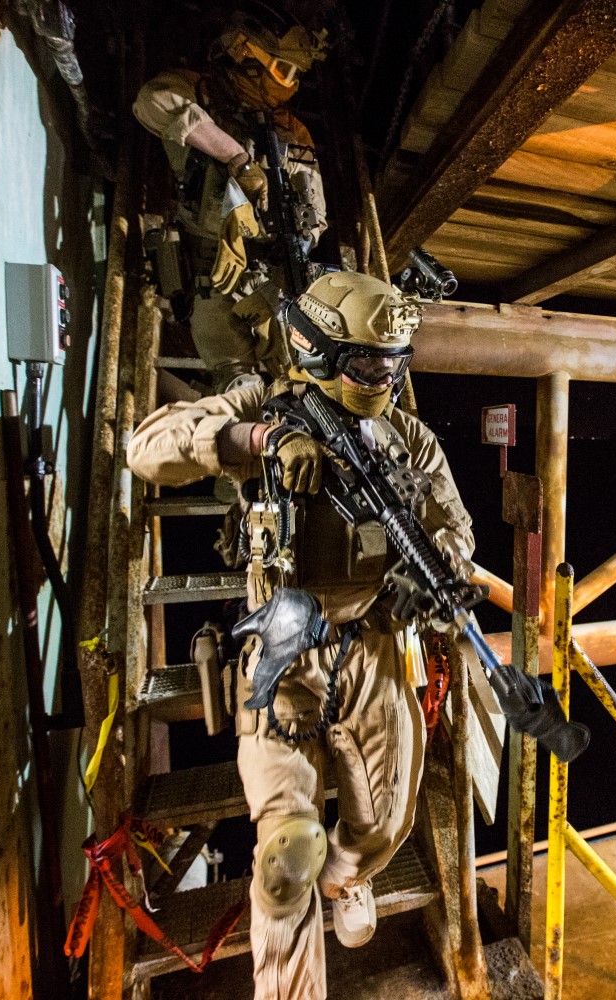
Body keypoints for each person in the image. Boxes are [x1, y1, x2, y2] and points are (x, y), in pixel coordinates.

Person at [127, 272, 473, 1000]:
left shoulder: (407, 437)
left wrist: (435, 573)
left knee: (384, 825)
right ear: (321, 352)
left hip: (374, 648)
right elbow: (147, 448)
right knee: (286, 857)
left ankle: (345, 878)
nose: (383, 379)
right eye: (366, 364)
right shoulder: (265, 403)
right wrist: (257, 439)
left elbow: (454, 528)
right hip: (282, 655)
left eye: (394, 364)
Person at [133, 10, 329, 393]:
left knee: (306, 383)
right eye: (283, 70)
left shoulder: (292, 129)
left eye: (295, 76)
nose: (288, 84)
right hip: (210, 273)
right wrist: (237, 158)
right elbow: (151, 101)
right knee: (238, 383)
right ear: (245, 53)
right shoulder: (202, 93)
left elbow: (314, 212)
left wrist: (301, 242)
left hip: (270, 278)